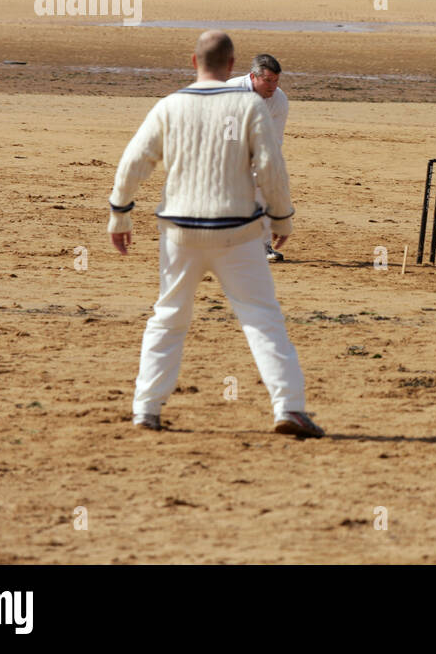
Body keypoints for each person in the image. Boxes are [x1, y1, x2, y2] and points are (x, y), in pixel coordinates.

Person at [107, 30, 323, 438]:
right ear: (231, 65)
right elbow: (271, 168)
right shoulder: (249, 106)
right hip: (237, 231)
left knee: (168, 318)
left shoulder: (170, 104)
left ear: (194, 62)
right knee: (262, 318)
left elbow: (134, 160)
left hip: (180, 230)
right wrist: (283, 219)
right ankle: (289, 408)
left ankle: (146, 409)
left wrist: (120, 213)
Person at [227, 54, 289, 263]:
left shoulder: (278, 100)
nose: (273, 86)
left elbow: (273, 142)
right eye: (268, 80)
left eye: (276, 80)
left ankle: (262, 245)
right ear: (254, 77)